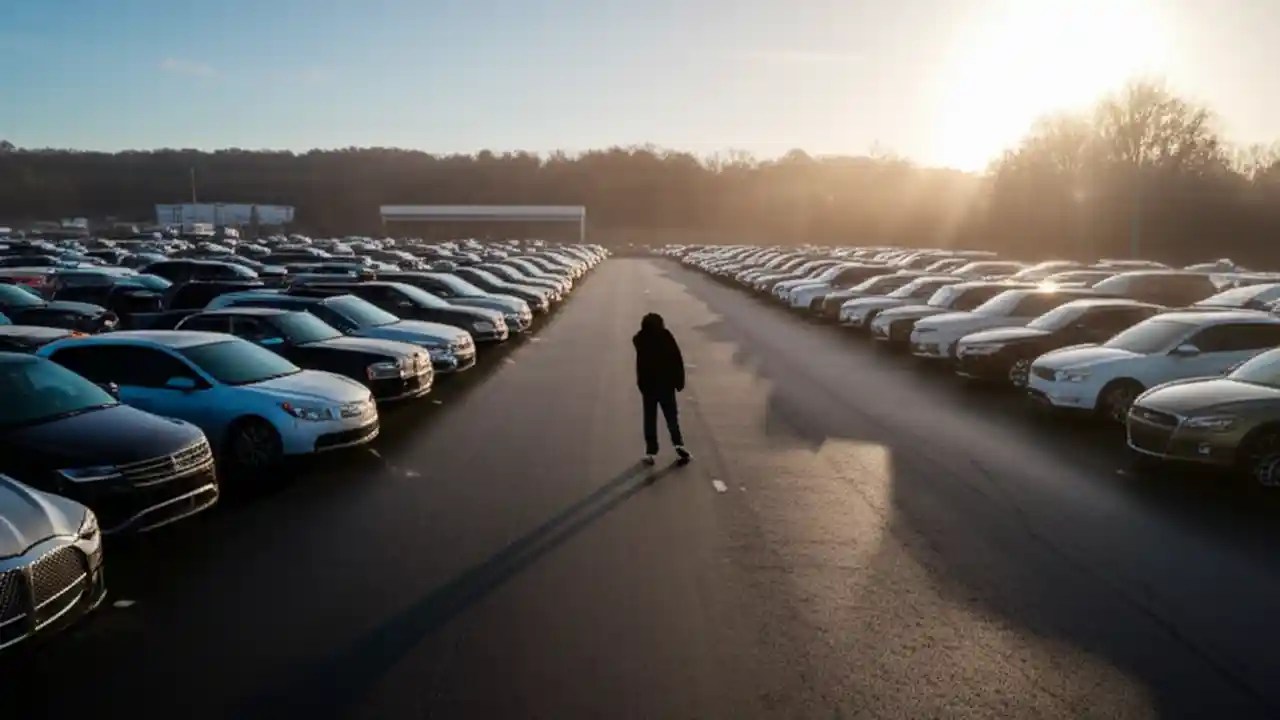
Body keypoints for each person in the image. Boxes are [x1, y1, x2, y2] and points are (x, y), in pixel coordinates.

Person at [633, 313, 691, 465]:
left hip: (649, 387)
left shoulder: (641, 340)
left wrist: (641, 384)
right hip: (666, 385)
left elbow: (640, 366)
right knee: (671, 417)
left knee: (649, 419)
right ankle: (678, 444)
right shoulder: (666, 338)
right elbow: (677, 360)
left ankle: (651, 451)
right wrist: (679, 381)